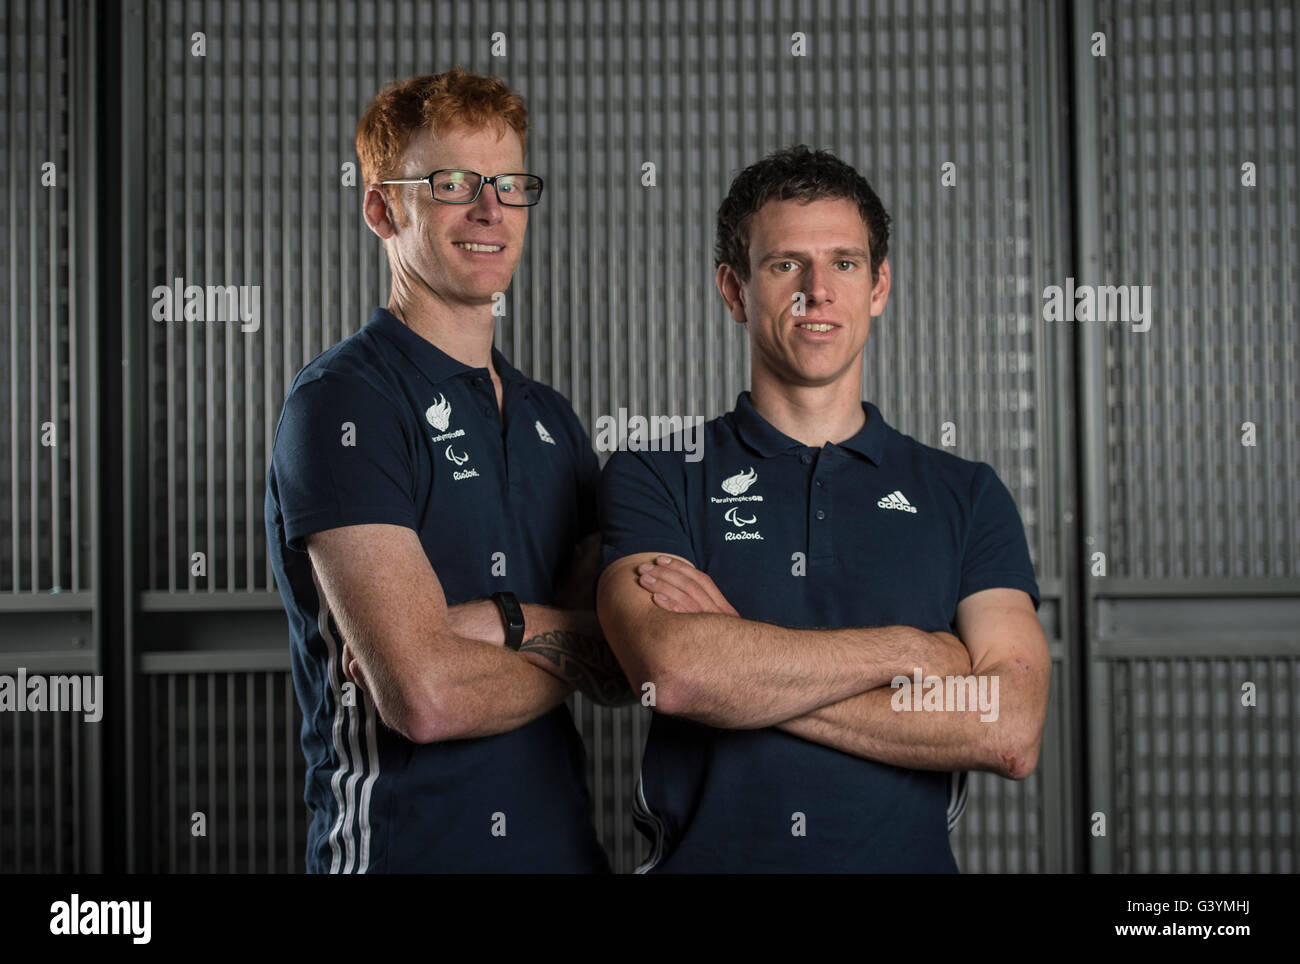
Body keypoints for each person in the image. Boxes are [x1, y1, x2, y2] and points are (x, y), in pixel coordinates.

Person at [596, 145, 1051, 873]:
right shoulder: (655, 474)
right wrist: (911, 653)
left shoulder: (966, 493)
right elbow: (676, 674)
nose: (818, 290)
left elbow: (1009, 727)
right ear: (735, 289)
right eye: (785, 265)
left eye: (844, 262)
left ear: (879, 287)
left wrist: (739, 658)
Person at [265, 67, 632, 874]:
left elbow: (622, 667)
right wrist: (558, 631)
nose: (489, 209)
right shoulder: (343, 405)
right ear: (382, 207)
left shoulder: (550, 420)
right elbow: (425, 699)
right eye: (453, 182)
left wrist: (495, 625)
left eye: (508, 183)